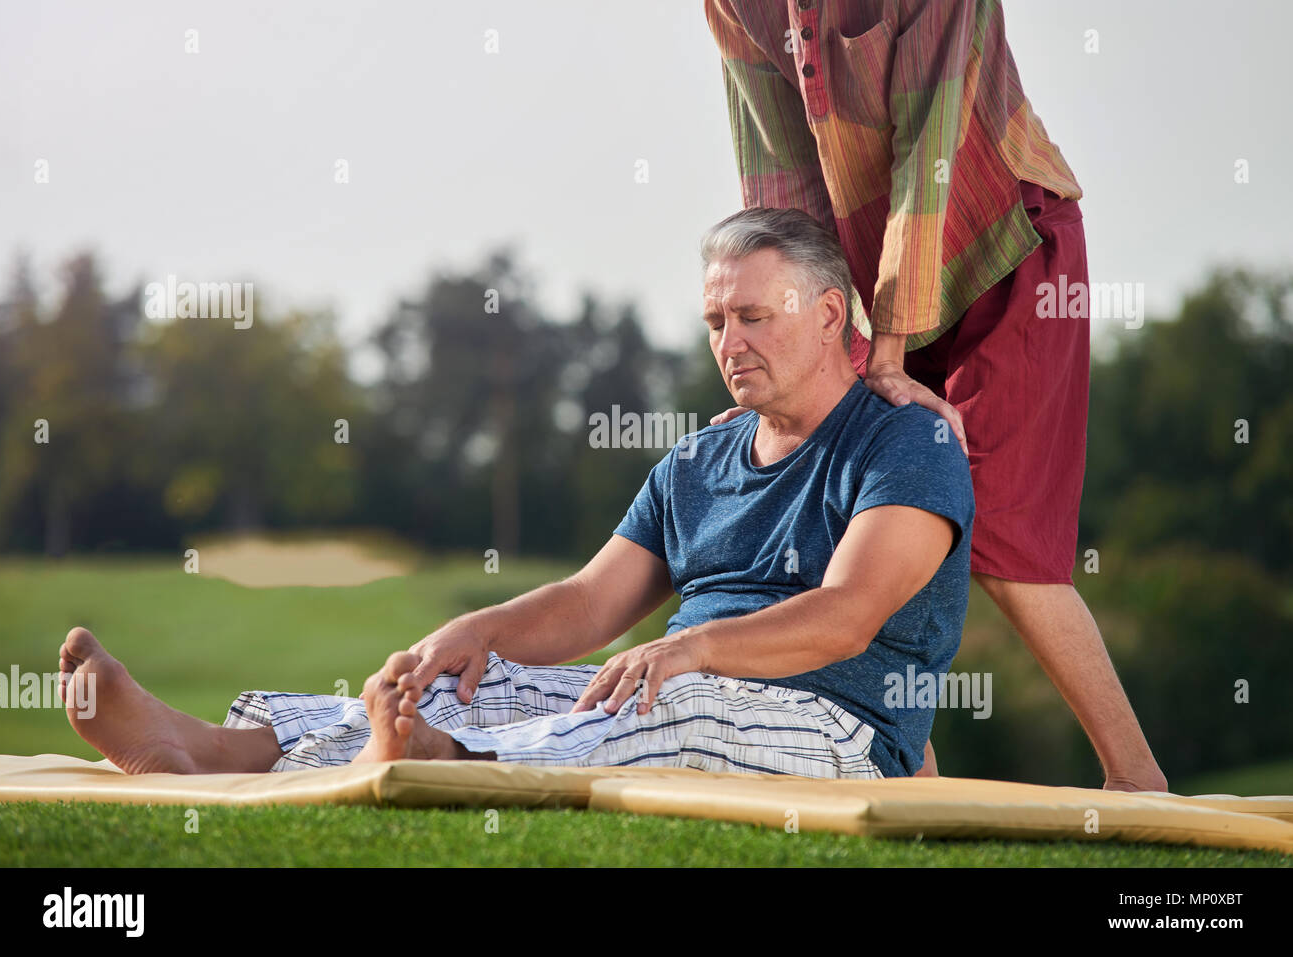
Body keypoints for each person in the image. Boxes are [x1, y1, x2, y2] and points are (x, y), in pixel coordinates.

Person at [58, 208, 972, 779]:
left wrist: (689, 648)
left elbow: (848, 615)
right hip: (677, 684)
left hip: (838, 730)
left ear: (826, 315)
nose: (729, 340)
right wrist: (479, 634)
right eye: (715, 321)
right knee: (494, 685)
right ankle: (204, 749)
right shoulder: (697, 461)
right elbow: (590, 600)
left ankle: (437, 765)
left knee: (667, 708)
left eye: (753, 317)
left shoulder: (906, 440)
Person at [704, 0, 1166, 790]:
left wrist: (886, 348)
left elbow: (931, 148)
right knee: (872, 509)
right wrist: (802, 360)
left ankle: (1137, 778)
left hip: (1005, 241)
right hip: (868, 264)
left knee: (1000, 533)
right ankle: (912, 773)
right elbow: (783, 184)